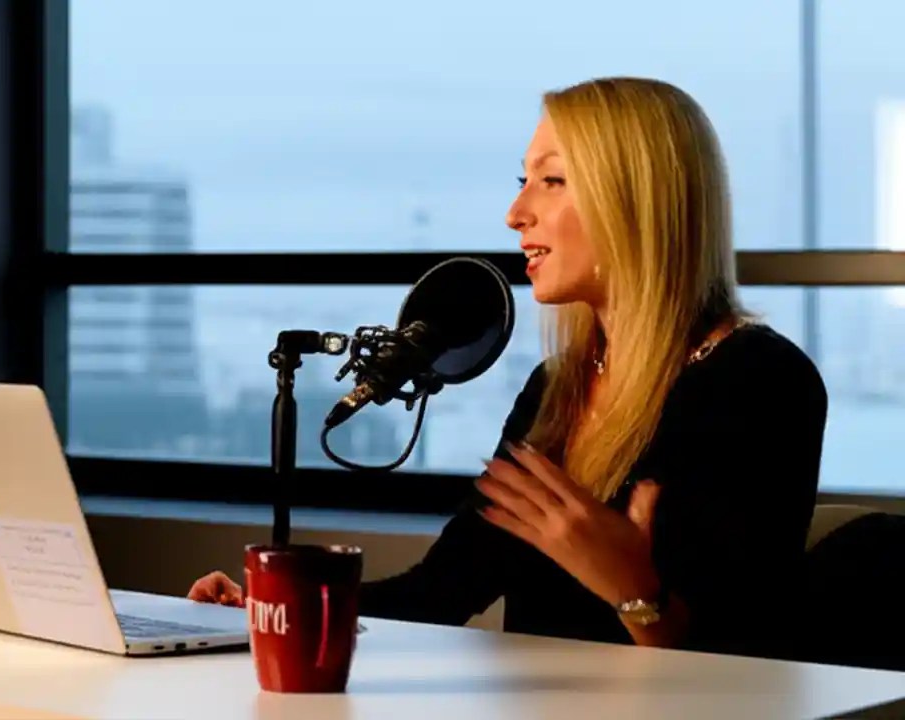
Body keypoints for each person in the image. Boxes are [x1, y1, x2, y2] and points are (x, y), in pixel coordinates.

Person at [187, 76, 828, 660]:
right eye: (522, 181)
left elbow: (745, 662)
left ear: (636, 198)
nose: (516, 214)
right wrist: (276, 610)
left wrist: (636, 592)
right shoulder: (556, 386)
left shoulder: (762, 381)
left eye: (550, 181)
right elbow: (441, 591)